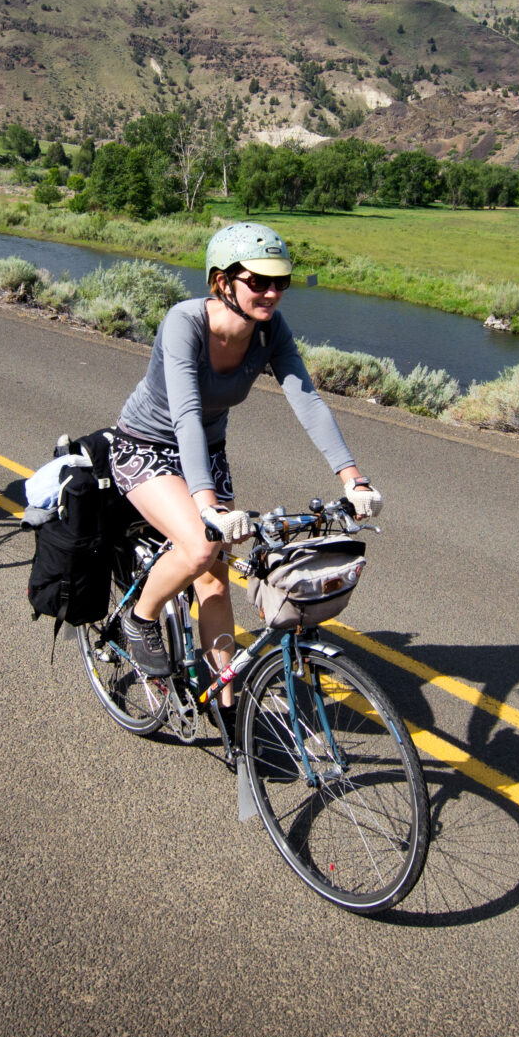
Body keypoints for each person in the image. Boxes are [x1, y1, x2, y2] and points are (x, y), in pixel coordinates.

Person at [109, 221, 382, 702]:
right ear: (222, 281)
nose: (272, 293)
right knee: (198, 547)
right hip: (145, 446)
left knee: (215, 577)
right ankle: (140, 617)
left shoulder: (269, 331)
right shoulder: (184, 322)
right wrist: (208, 506)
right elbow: (187, 416)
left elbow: (308, 402)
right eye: (258, 281)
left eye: (281, 282)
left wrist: (353, 478)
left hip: (207, 453)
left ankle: (225, 701)